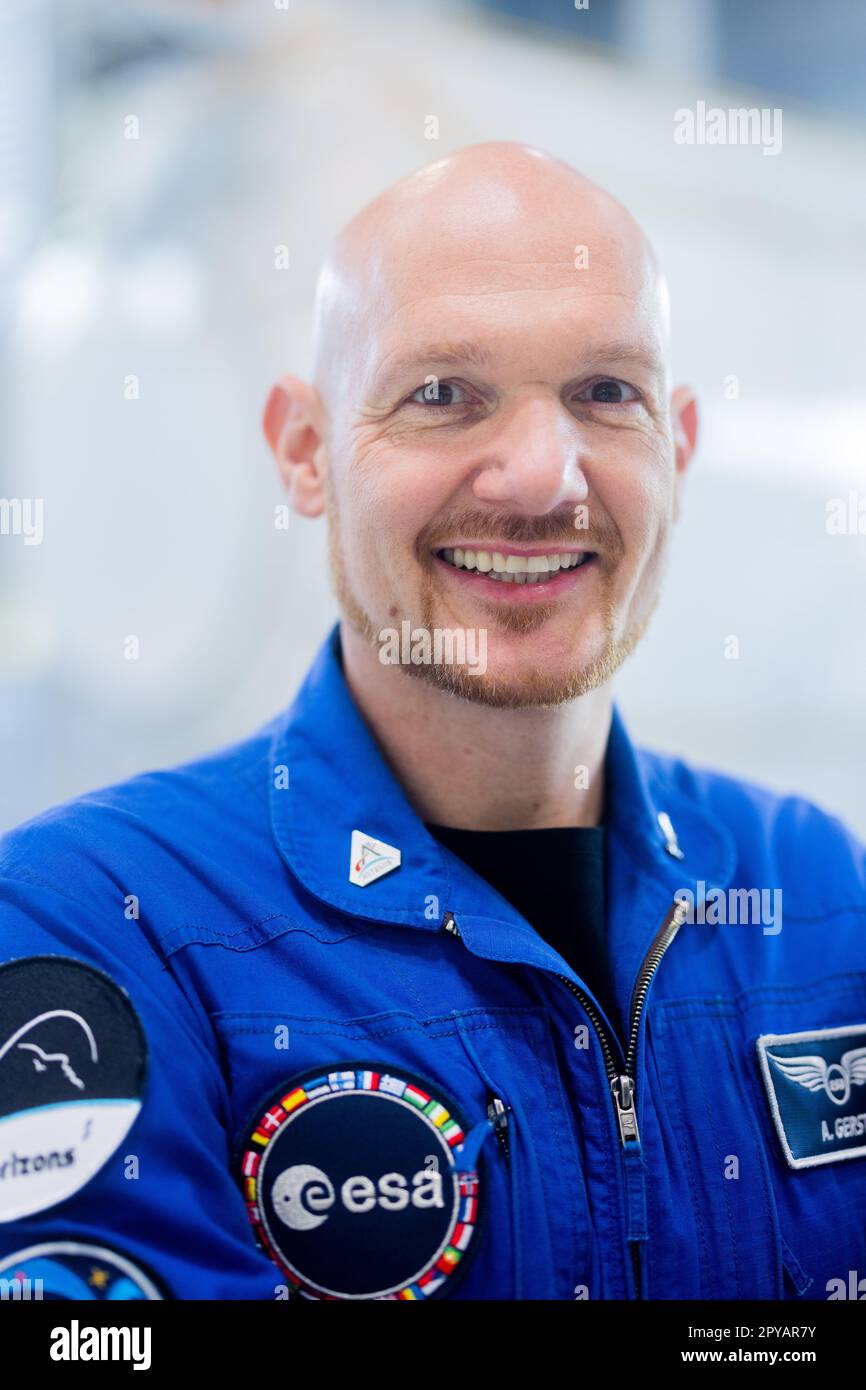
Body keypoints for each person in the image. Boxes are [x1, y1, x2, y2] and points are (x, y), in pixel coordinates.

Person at [1, 142, 864, 1302]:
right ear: (306, 453)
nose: (538, 477)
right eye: (442, 395)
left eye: (605, 392)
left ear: (678, 445)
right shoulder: (97, 925)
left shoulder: (811, 900)